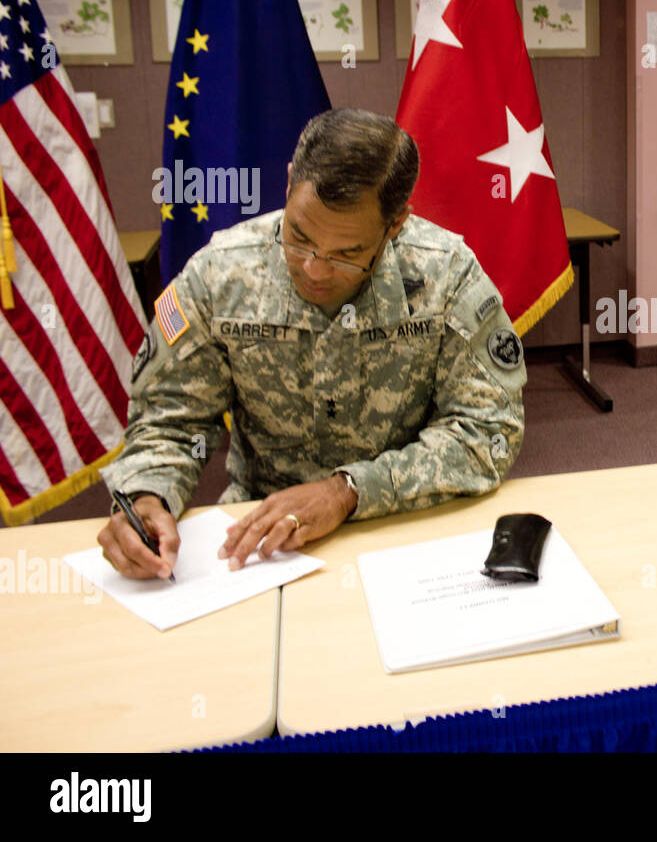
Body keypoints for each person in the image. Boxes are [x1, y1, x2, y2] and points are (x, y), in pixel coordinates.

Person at [98, 109, 526, 579]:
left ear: (395, 223)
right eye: (299, 238)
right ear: (288, 184)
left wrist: (349, 491)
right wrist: (145, 496)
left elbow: (488, 432)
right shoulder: (221, 276)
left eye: (347, 254)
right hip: (260, 544)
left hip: (401, 525)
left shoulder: (446, 276)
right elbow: (170, 422)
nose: (315, 270)